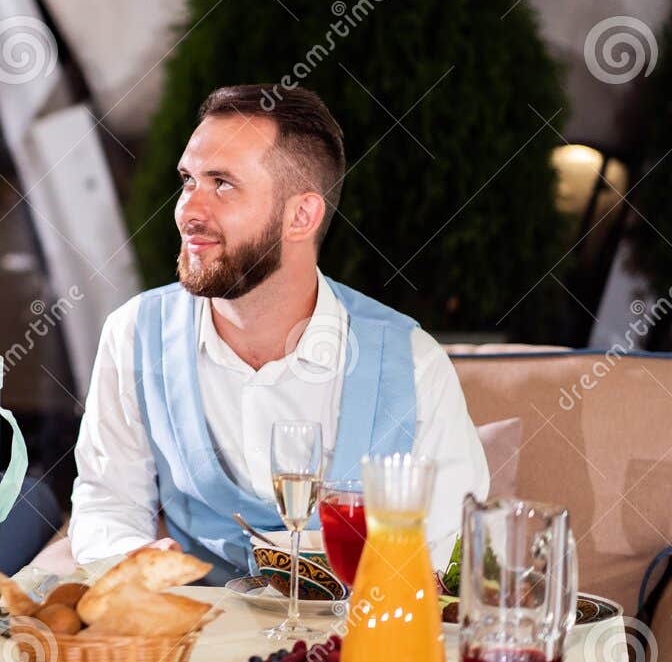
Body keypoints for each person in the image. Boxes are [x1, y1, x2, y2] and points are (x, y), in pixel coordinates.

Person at [69, 84, 487, 578]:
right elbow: (107, 504)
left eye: (222, 184)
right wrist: (136, 565)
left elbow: (454, 553)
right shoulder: (135, 334)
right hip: (195, 644)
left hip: (353, 646)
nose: (188, 211)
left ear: (301, 215)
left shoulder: (413, 363)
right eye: (188, 181)